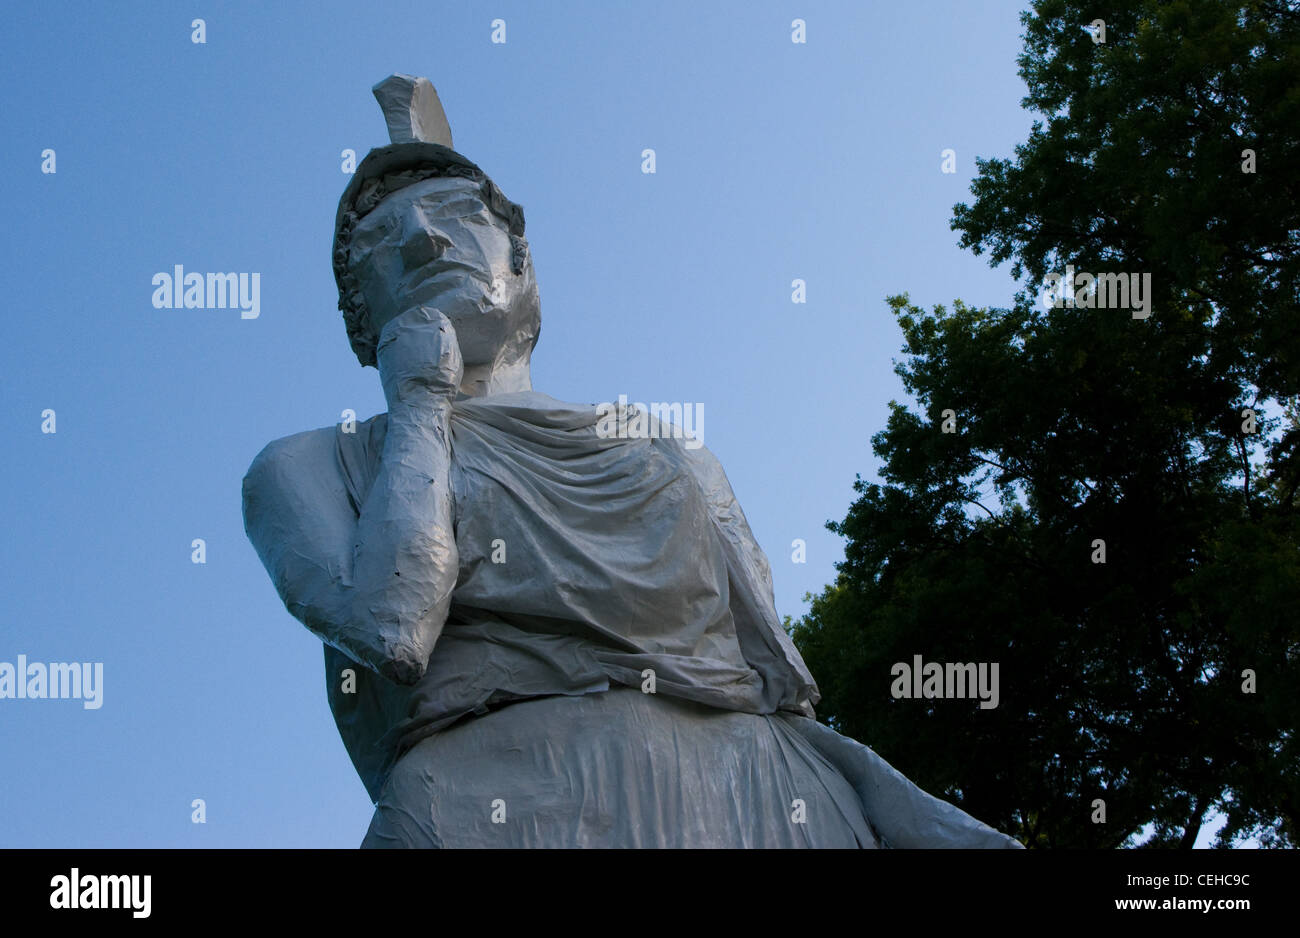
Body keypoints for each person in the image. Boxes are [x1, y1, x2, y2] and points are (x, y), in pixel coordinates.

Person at [241, 75, 1022, 848]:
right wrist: (419, 406)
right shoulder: (314, 464)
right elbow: (392, 629)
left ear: (521, 261)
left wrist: (882, 804)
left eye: (454, 213)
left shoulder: (666, 445)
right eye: (383, 238)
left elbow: (776, 688)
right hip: (488, 809)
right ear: (356, 315)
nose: (422, 239)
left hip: (761, 799)